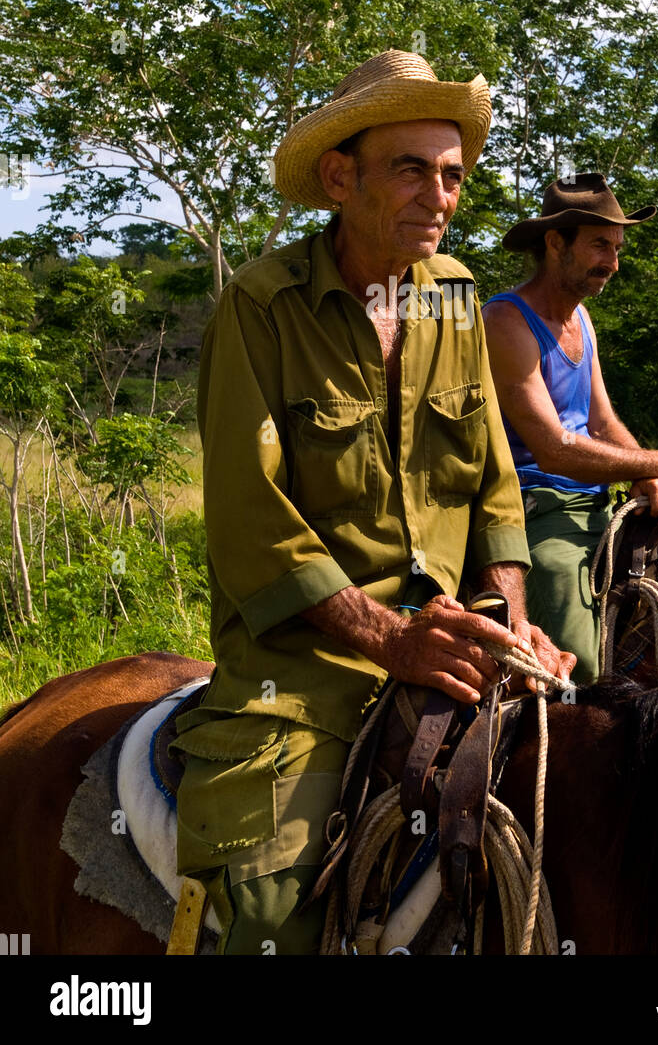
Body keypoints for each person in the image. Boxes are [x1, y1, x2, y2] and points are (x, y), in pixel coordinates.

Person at [169, 49, 573, 955]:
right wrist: (389, 638)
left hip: (455, 631)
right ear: (340, 176)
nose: (439, 195)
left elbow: (493, 486)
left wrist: (510, 618)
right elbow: (248, 513)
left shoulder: (457, 297)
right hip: (308, 665)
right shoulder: (262, 307)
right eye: (410, 170)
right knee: (270, 911)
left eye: (452, 175)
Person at [482, 173, 658, 684]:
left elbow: (603, 422)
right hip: (533, 512)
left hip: (593, 503)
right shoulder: (505, 321)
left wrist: (647, 476)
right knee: (579, 666)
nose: (613, 262)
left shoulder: (580, 319)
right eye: (599, 245)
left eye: (616, 247)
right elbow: (552, 448)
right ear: (554, 243)